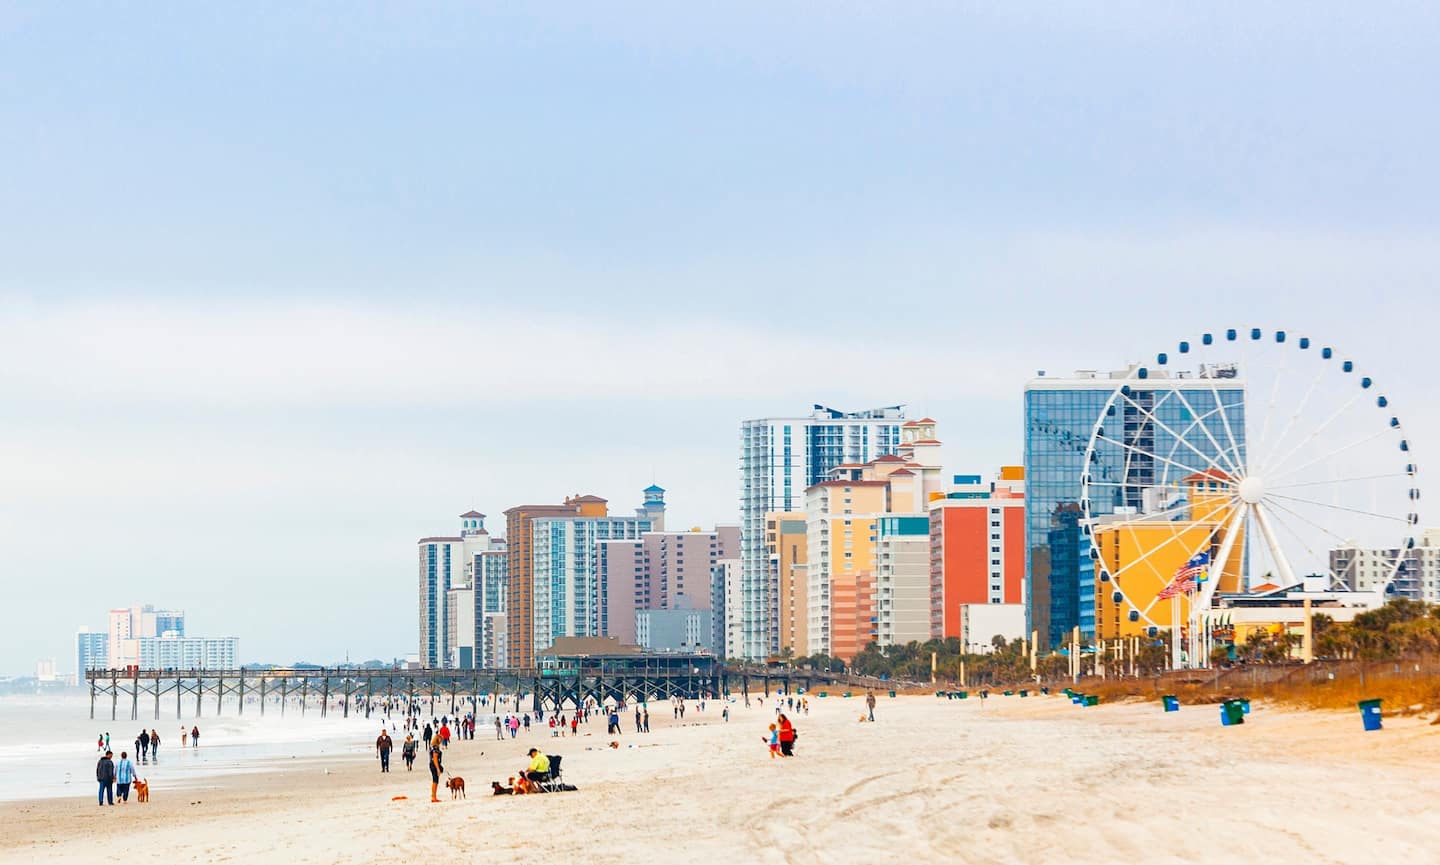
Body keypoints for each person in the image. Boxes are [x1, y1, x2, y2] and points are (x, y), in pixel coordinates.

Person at [428, 735, 444, 803]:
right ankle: (434, 797)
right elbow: (435, 758)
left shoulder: (432, 747)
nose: (441, 741)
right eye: (441, 739)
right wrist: (438, 768)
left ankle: (433, 796)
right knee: (435, 781)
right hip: (434, 765)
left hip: (433, 764)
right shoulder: (435, 748)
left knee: (435, 781)